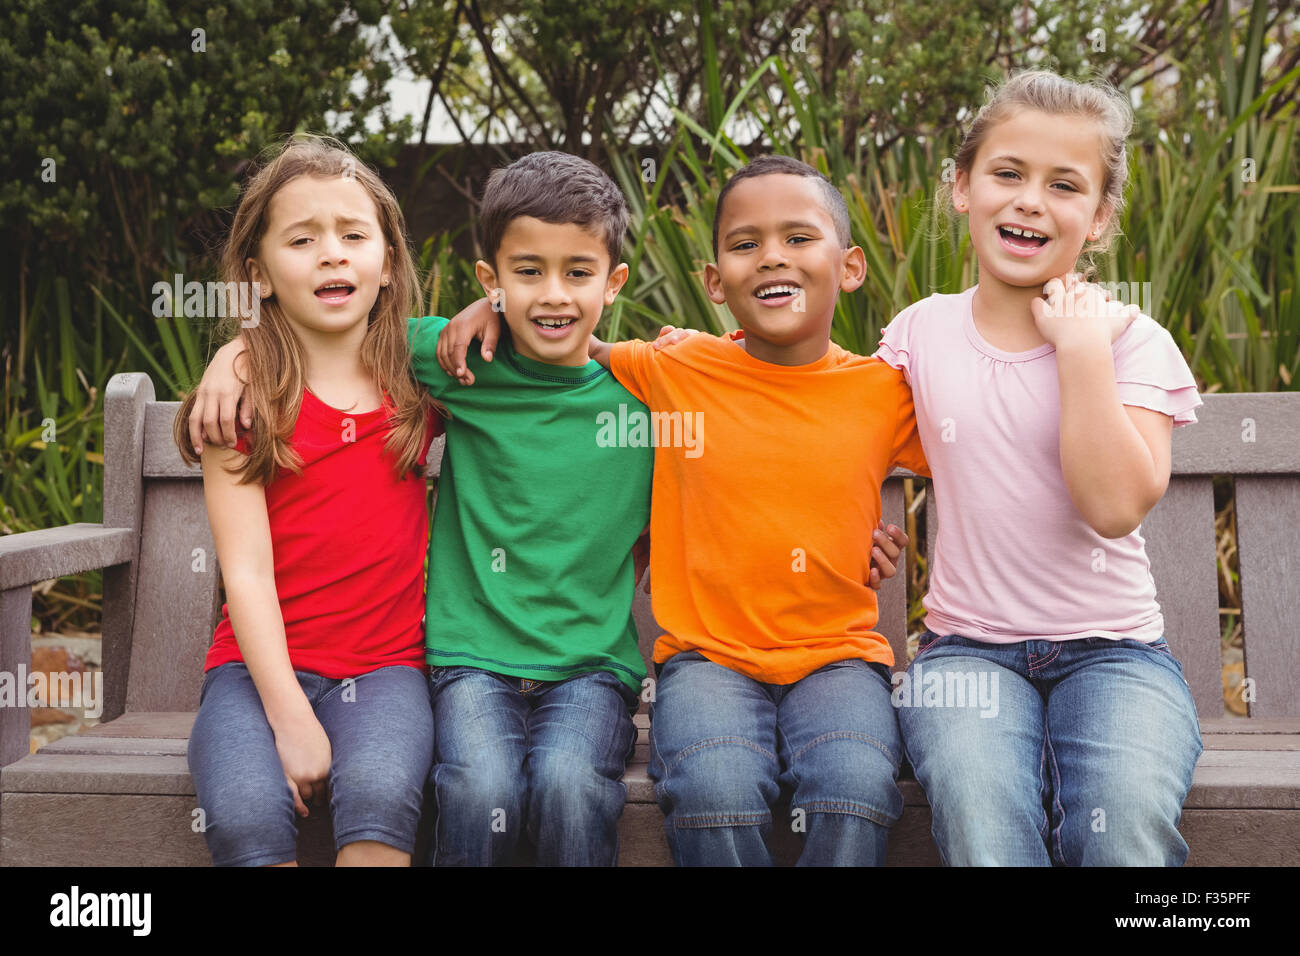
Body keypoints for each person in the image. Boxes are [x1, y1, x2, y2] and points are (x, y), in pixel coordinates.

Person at [439, 154, 920, 866]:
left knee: (853, 785)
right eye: (745, 243)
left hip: (840, 658)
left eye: (798, 237)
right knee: (714, 790)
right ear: (714, 281)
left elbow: (987, 447)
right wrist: (497, 306)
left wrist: (888, 541)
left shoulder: (883, 393)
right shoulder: (675, 368)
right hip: (707, 660)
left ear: (850, 267)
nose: (771, 258)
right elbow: (574, 342)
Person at [877, 69, 1204, 865]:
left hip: (1118, 654)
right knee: (983, 816)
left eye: (1064, 185)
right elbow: (826, 426)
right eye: (1008, 174)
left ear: (1097, 220)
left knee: (1124, 824)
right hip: (965, 652)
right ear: (962, 188)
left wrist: (1082, 353)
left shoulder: (1131, 340)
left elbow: (1114, 506)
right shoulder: (920, 333)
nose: (1030, 200)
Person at [175, 134, 440, 866]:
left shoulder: (419, 382)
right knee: (243, 813)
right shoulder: (244, 405)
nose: (332, 253)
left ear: (386, 263)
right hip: (253, 674)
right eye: (302, 239)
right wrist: (290, 716)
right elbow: (247, 575)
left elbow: (536, 360)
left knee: (384, 796)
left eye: (354, 235)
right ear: (258, 275)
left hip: (387, 670)